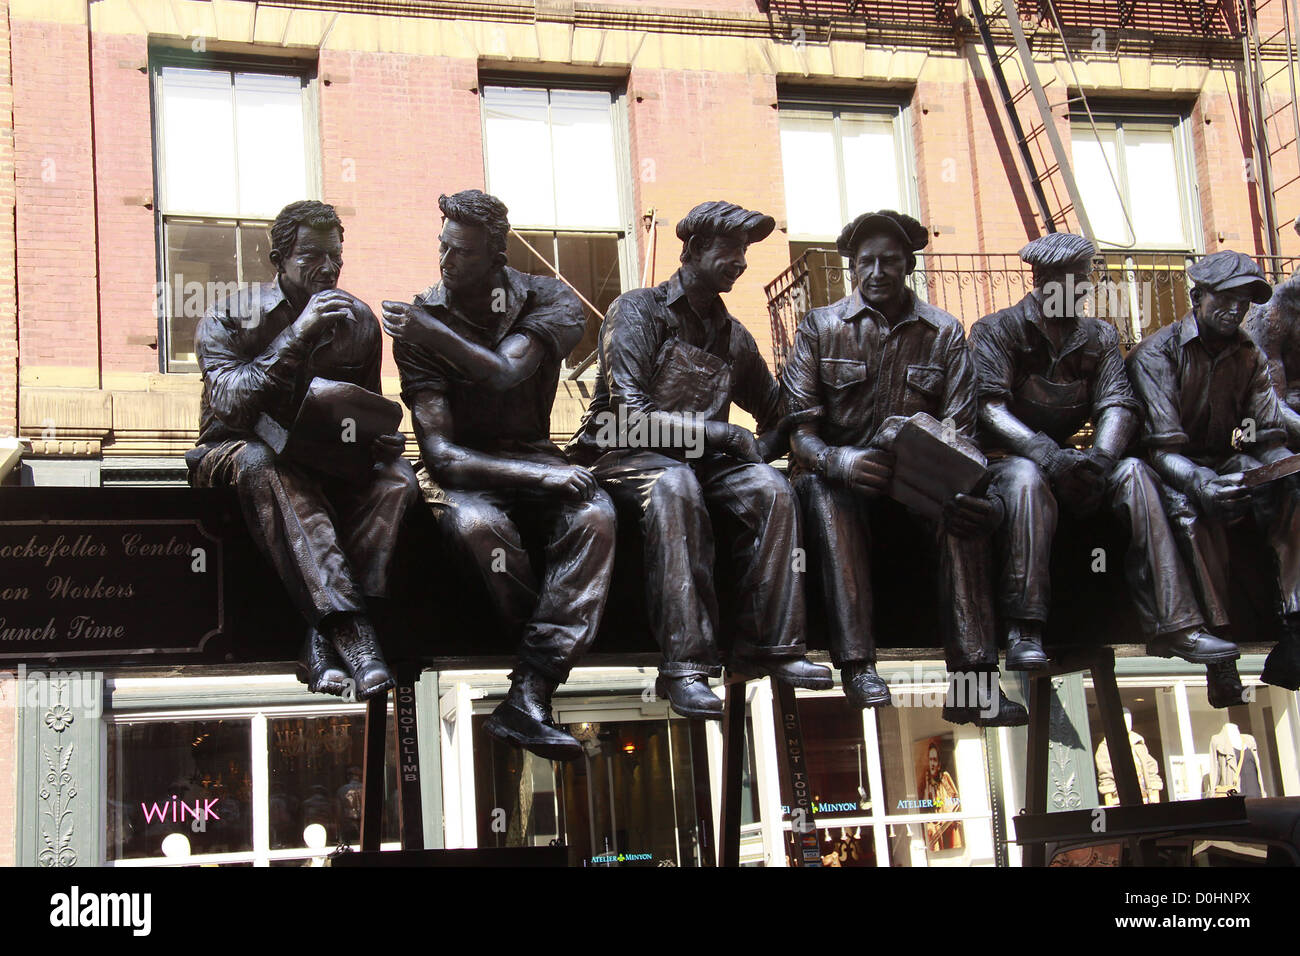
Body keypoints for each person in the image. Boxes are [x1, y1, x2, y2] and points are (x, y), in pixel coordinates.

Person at [567, 200, 832, 719]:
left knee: (769, 488)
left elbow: (776, 409)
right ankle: (686, 666)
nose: (741, 262)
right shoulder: (639, 310)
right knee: (673, 485)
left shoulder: (733, 337)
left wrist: (790, 428)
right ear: (694, 250)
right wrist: (723, 434)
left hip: (701, 463)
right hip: (623, 450)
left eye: (745, 251)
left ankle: (775, 646)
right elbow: (627, 413)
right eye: (731, 250)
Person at [382, 190, 617, 760]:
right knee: (479, 529)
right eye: (442, 246)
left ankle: (528, 695)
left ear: (496, 255)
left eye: (460, 251)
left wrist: (430, 333)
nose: (445, 261)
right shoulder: (424, 317)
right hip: (467, 472)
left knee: (596, 514)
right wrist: (541, 481)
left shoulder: (548, 297)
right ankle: (533, 677)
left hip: (536, 452)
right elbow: (442, 457)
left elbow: (507, 372)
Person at [781, 209, 1024, 725]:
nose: (876, 272)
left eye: (889, 262)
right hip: (836, 479)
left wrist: (962, 488)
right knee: (830, 498)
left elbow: (961, 434)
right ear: (851, 268)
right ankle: (858, 665)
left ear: (908, 265)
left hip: (913, 484)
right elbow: (798, 432)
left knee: (960, 515)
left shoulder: (944, 333)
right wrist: (838, 460)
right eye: (865, 262)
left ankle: (974, 683)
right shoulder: (820, 328)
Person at [970, 233, 1239, 698]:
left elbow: (1117, 404)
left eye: (1085, 279)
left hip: (1078, 460)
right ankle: (1025, 629)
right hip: (1010, 461)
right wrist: (1047, 455)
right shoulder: (997, 330)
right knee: (1026, 481)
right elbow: (990, 408)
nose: (1084, 288)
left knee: (1135, 473)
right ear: (1044, 281)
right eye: (1073, 280)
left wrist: (1101, 459)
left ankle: (1176, 623)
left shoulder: (1099, 336)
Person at [190, 200, 418, 701]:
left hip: (321, 457)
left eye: (336, 256)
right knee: (268, 463)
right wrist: (298, 335)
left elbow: (358, 409)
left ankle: (323, 636)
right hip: (233, 452)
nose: (329, 268)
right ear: (278, 258)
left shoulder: (357, 320)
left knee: (398, 477)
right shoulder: (229, 314)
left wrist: (376, 437)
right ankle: (357, 640)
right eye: (312, 256)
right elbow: (230, 406)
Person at [1127, 250, 1300, 691]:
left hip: (1223, 459)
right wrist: (1203, 483)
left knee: (1290, 485)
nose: (1236, 309)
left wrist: (1285, 473)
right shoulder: (1156, 353)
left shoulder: (1248, 354)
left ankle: (1296, 627)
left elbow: (1268, 436)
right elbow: (1162, 450)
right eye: (1226, 298)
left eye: (1245, 301)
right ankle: (1220, 655)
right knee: (1189, 508)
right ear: (1196, 295)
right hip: (1165, 468)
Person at [918, 740, 963, 850]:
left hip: (949, 828)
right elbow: (925, 807)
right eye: (930, 760)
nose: (932, 763)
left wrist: (948, 814)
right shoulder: (927, 782)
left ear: (938, 763)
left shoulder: (944, 777)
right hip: (937, 831)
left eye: (934, 760)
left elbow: (956, 800)